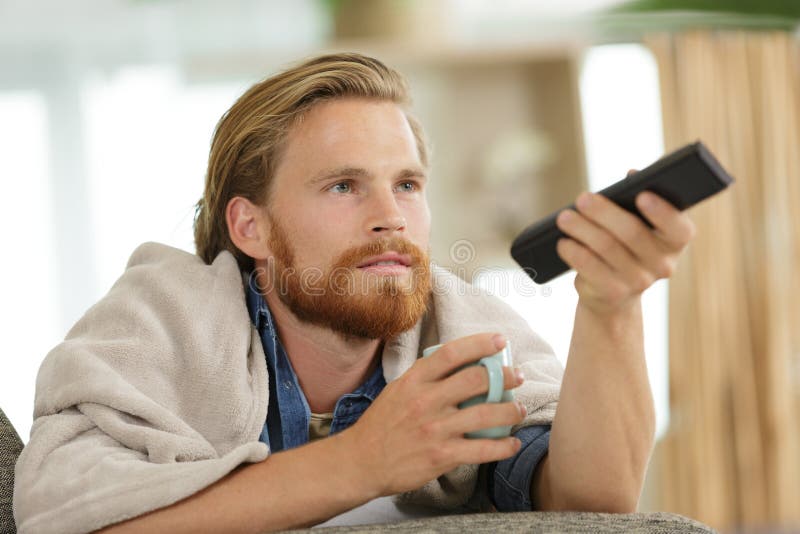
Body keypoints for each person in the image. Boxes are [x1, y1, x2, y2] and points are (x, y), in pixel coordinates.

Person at [13, 53, 695, 534]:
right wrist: (362, 462)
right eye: (343, 185)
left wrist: (612, 304)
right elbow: (60, 514)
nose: (390, 216)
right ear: (250, 226)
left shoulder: (464, 328)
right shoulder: (161, 320)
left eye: (406, 184)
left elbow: (591, 508)